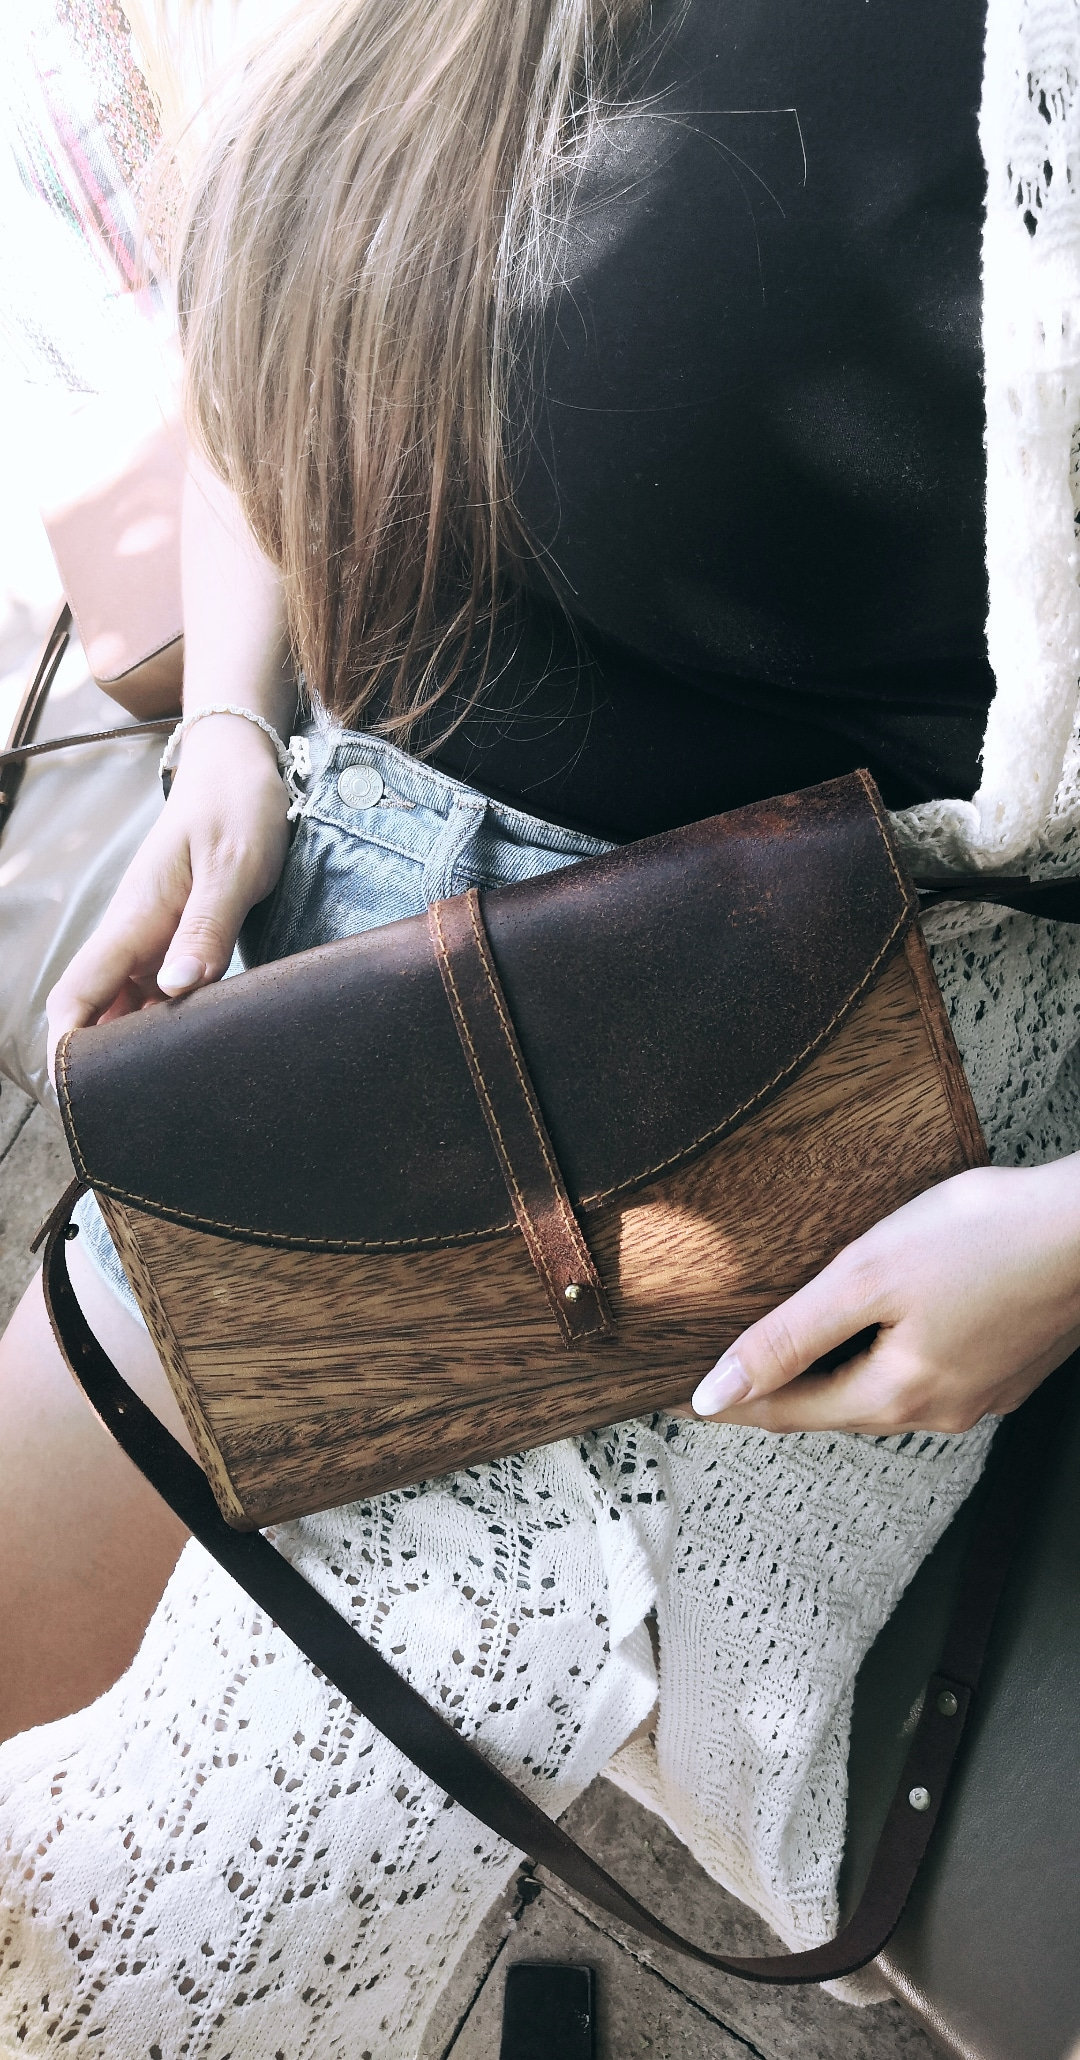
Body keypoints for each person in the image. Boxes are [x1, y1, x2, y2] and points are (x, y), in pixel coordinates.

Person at [3, 0, 1080, 2050]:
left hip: (748, 1097)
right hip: (319, 1024)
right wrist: (231, 727)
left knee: (122, 1968)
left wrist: (1069, 1236)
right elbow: (274, 309)